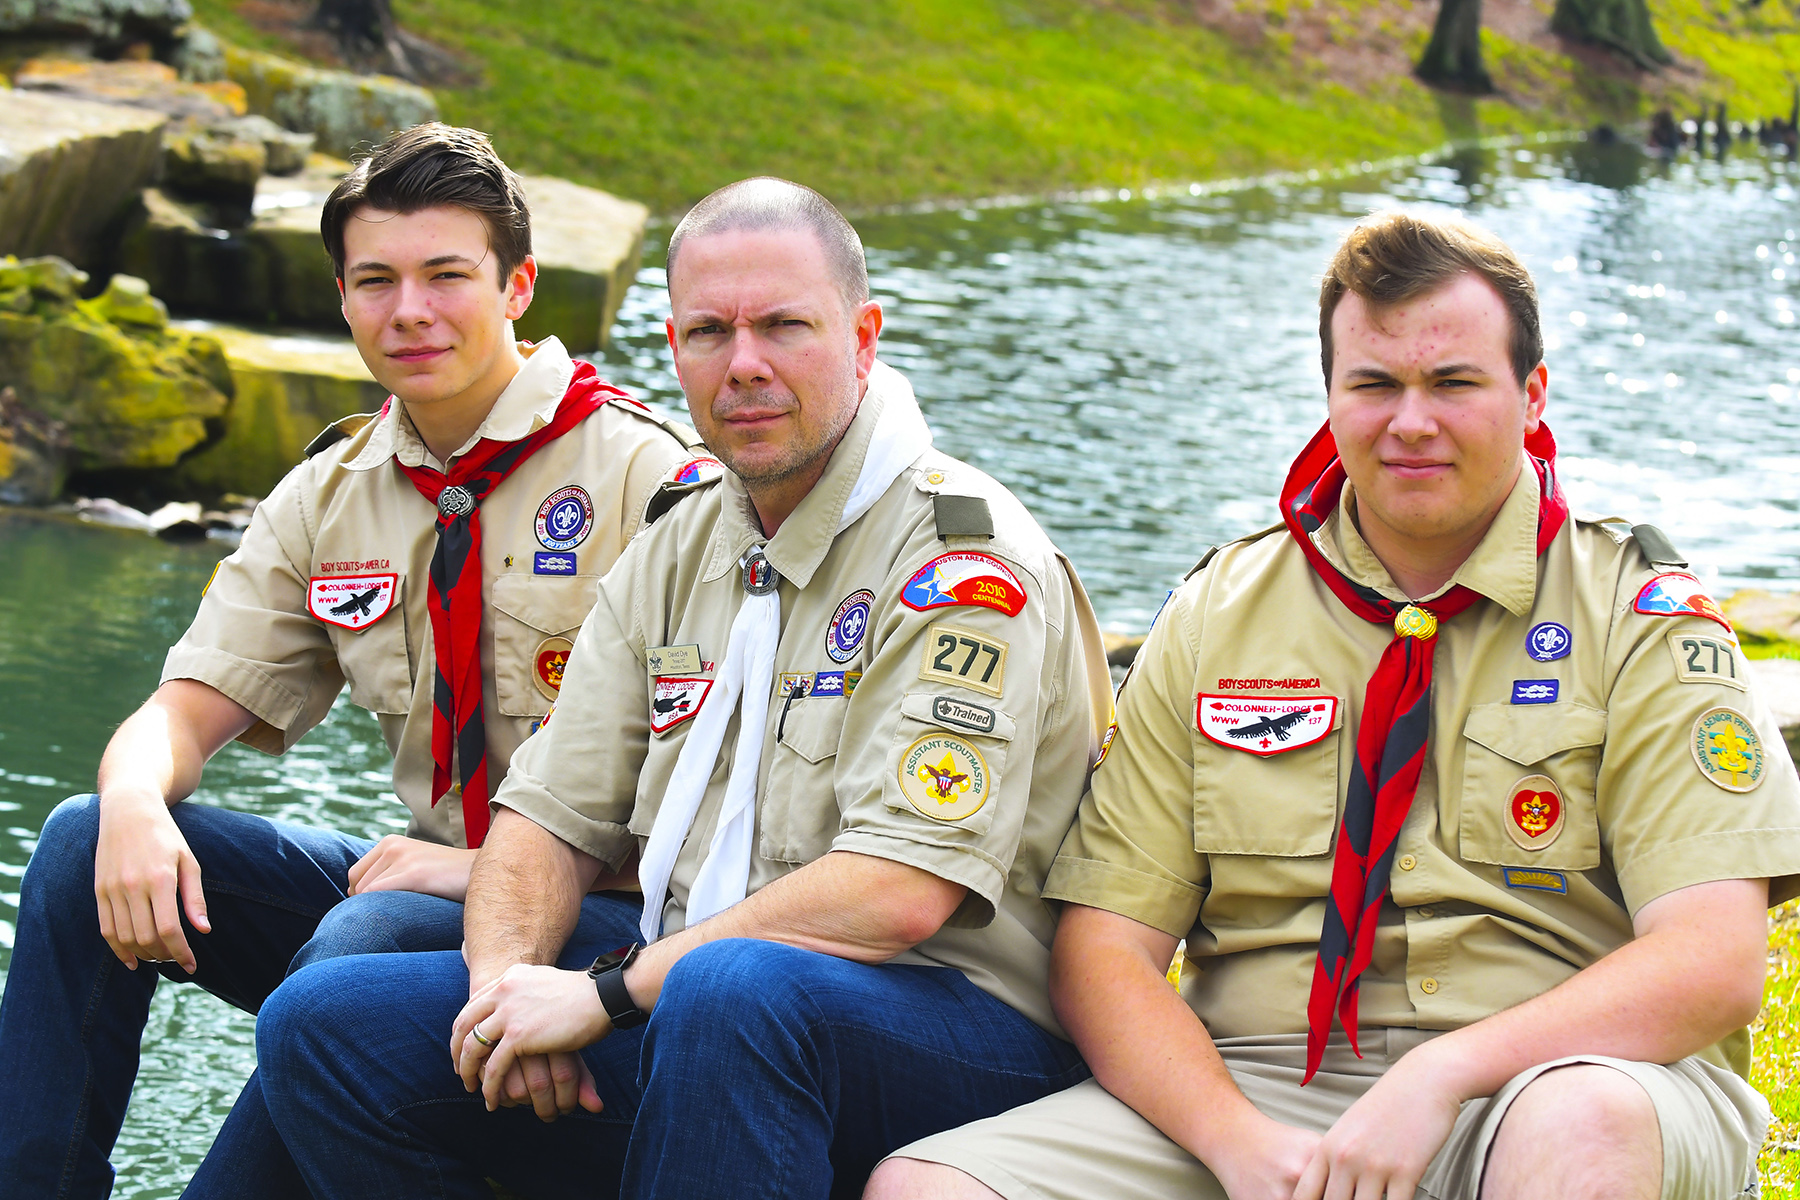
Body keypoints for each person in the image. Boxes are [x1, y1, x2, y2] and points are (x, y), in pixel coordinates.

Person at [206, 176, 1112, 1200]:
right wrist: (509, 995)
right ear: (674, 348)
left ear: (864, 336)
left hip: (956, 1021)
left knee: (733, 990)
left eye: (784, 326)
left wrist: (605, 996)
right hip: (702, 980)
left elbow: (897, 892)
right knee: (325, 1025)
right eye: (709, 333)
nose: (746, 366)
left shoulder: (961, 565)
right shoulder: (684, 545)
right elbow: (547, 815)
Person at [870, 210, 1800, 1200]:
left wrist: (1443, 1073)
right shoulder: (1219, 611)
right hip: (1268, 1088)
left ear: (1533, 395)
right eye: (1374, 384)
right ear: (1329, 394)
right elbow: (1107, 952)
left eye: (1453, 383)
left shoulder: (1637, 613)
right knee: (929, 1188)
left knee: (1581, 1128)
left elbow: (1712, 960)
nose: (1411, 421)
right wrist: (1236, 1145)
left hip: (1561, 1074)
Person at [0, 122, 699, 1198]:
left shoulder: (652, 485)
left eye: (445, 275)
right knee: (83, 837)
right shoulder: (336, 487)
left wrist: (480, 875)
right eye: (375, 280)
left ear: (518, 286)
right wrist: (137, 800)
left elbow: (725, 821)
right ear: (341, 295)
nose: (408, 311)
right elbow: (181, 714)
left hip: (612, 913)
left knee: (364, 930)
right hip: (421, 882)